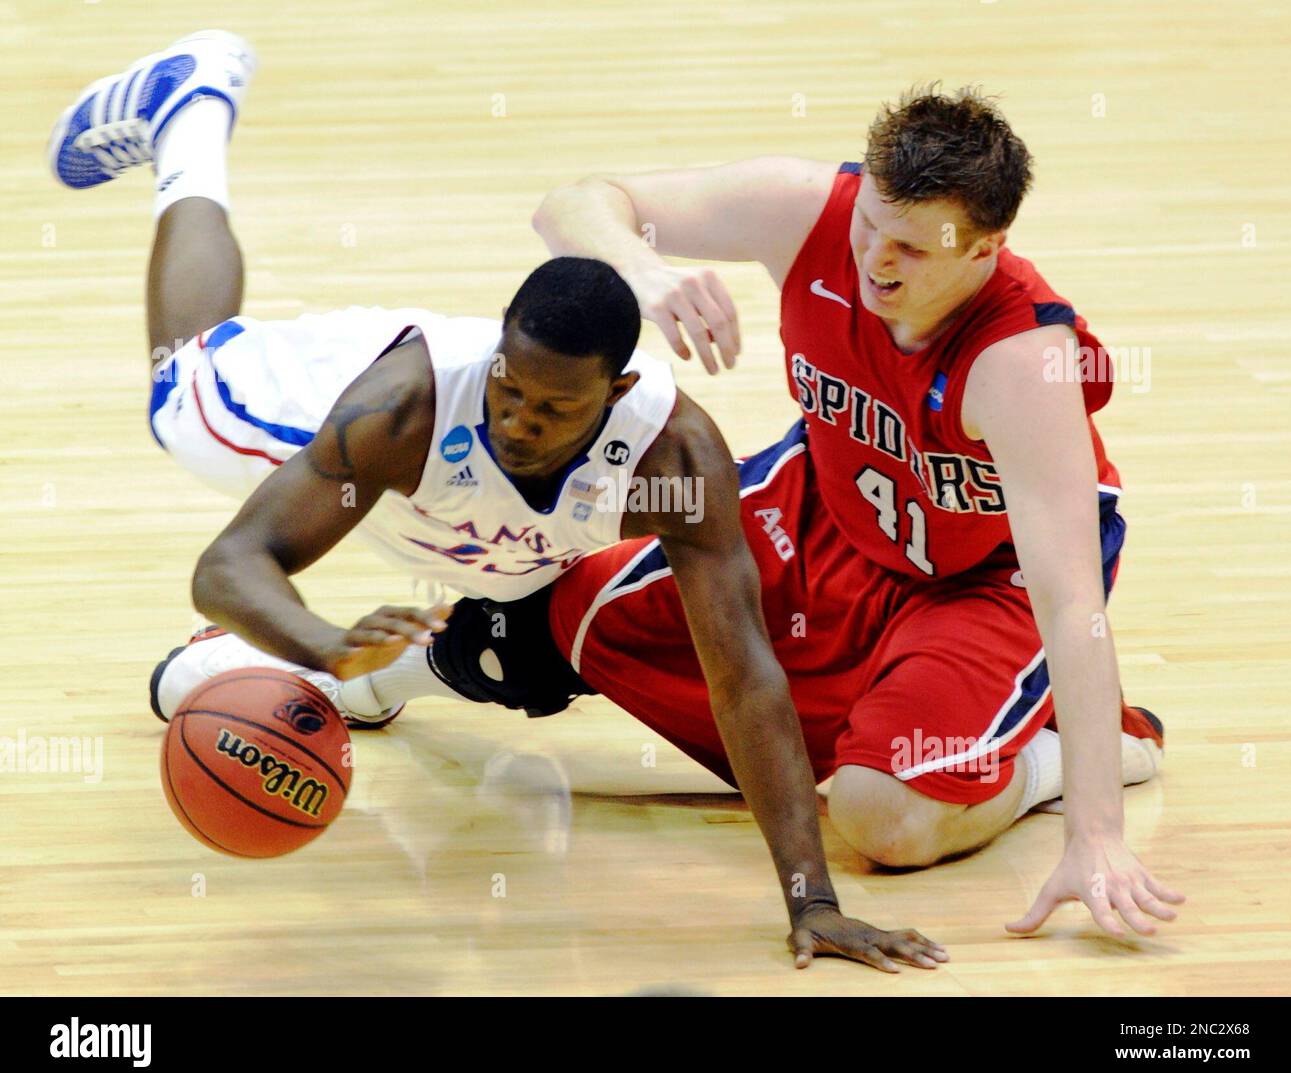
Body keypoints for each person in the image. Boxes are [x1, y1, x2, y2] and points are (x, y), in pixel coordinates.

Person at [49, 30, 948, 972]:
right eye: (509, 390)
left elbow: (743, 674)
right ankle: (191, 110)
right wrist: (325, 644)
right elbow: (227, 564)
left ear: (615, 389)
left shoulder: (676, 462)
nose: (517, 420)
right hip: (359, 447)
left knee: (528, 649)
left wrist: (812, 896)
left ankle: (354, 685)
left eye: (553, 406)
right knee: (178, 394)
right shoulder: (405, 402)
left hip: (506, 535)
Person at [531, 84, 1185, 939]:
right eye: (871, 224)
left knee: (881, 816)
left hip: (982, 580)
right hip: (828, 509)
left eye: (912, 248)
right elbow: (571, 206)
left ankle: (1042, 760)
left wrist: (1097, 837)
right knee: (561, 601)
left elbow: (1072, 604)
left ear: (986, 246)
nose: (876, 259)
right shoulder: (806, 211)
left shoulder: (1025, 365)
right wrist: (644, 274)